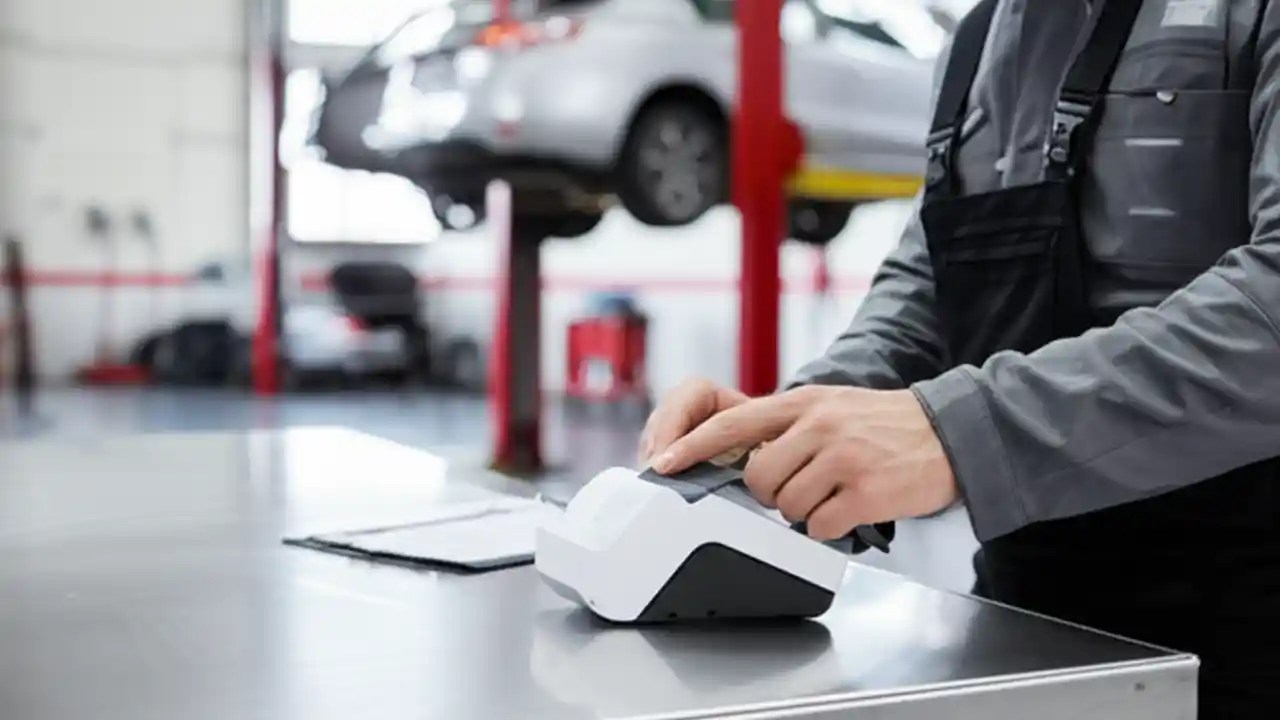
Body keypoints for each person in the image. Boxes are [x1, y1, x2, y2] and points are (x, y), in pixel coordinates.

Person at [640, 0, 1279, 717]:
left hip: (1250, 625)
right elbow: (929, 282)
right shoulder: (981, 38)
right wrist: (803, 420)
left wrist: (954, 432)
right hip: (1029, 622)